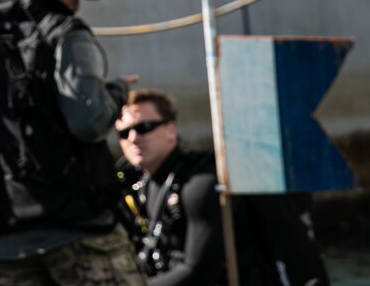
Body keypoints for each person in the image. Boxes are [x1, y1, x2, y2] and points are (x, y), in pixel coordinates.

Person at [0, 0, 144, 285]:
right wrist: (114, 93)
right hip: (78, 231)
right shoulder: (65, 33)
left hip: (4, 242)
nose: (76, 4)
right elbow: (88, 121)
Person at [115, 89, 330, 285]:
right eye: (124, 133)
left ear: (171, 130)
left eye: (144, 128)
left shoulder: (201, 185)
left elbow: (198, 273)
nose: (133, 138)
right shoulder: (139, 188)